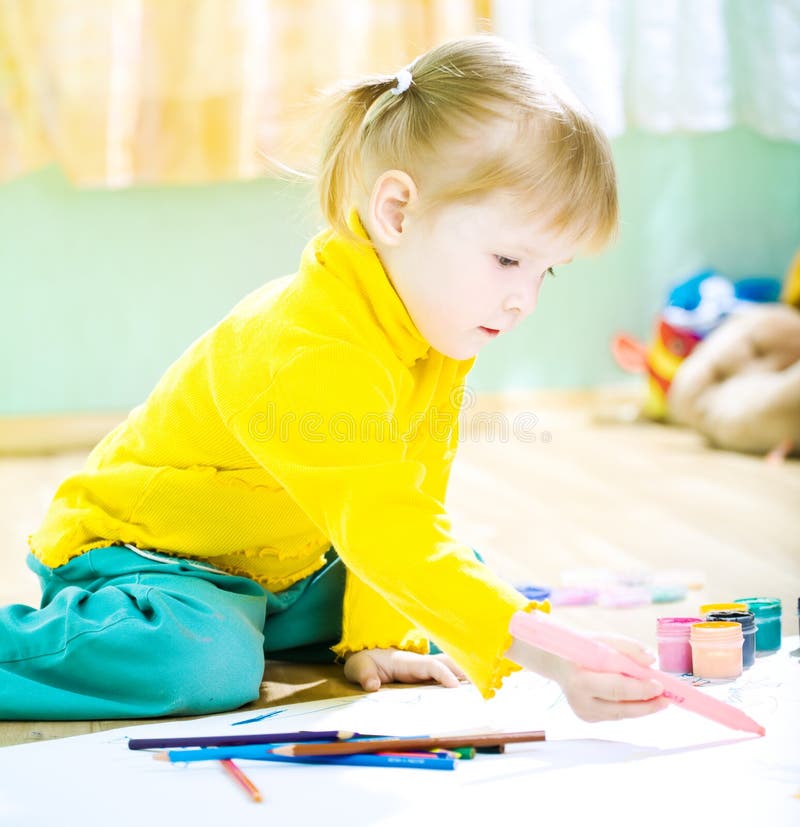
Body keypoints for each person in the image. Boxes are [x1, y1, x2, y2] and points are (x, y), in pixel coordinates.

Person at [2, 35, 668, 722]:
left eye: (545, 270)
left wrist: (379, 634)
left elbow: (410, 496)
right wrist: (554, 655)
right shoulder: (311, 347)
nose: (524, 299)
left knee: (444, 568)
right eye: (507, 260)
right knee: (207, 662)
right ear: (397, 211)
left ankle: (265, 621)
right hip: (148, 556)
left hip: (278, 565)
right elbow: (385, 528)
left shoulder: (432, 331)